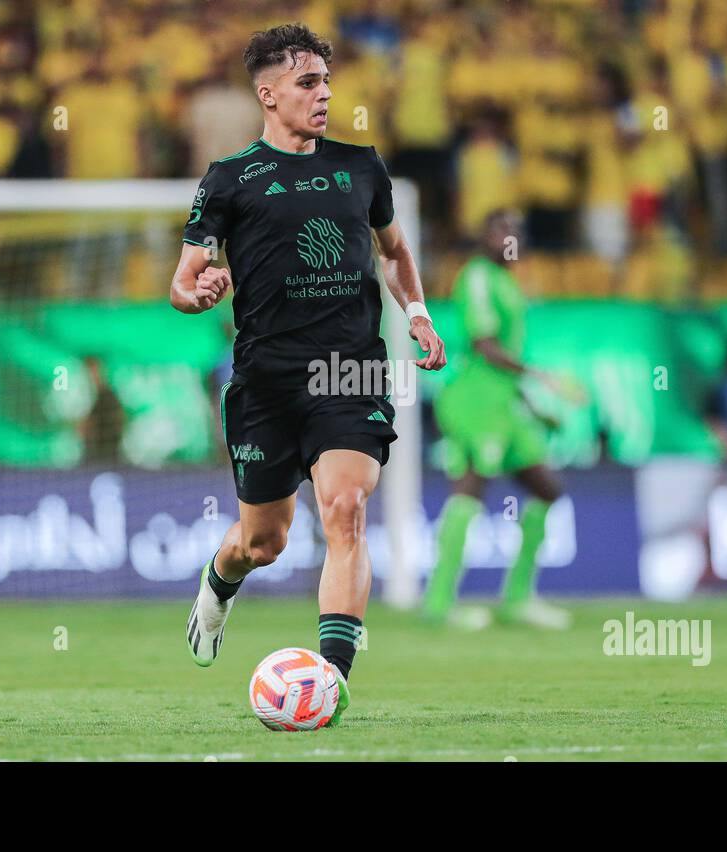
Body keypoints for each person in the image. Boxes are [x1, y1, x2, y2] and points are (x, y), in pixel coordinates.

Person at [170, 24, 446, 726]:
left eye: (326, 81)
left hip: (349, 370)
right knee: (263, 542)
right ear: (268, 94)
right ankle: (219, 581)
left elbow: (394, 251)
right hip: (265, 379)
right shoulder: (229, 180)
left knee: (346, 509)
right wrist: (199, 292)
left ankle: (330, 677)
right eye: (307, 83)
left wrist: (417, 314)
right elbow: (183, 281)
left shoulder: (362, 168)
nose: (323, 94)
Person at [424, 209, 570, 631]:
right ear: (486, 237)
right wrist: (537, 376)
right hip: (476, 404)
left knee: (548, 489)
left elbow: (501, 357)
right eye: (501, 230)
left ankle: (518, 599)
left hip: (505, 406)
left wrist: (532, 402)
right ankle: (438, 600)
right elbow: (485, 346)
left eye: (517, 231)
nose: (510, 239)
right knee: (471, 488)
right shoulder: (478, 277)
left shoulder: (508, 282)